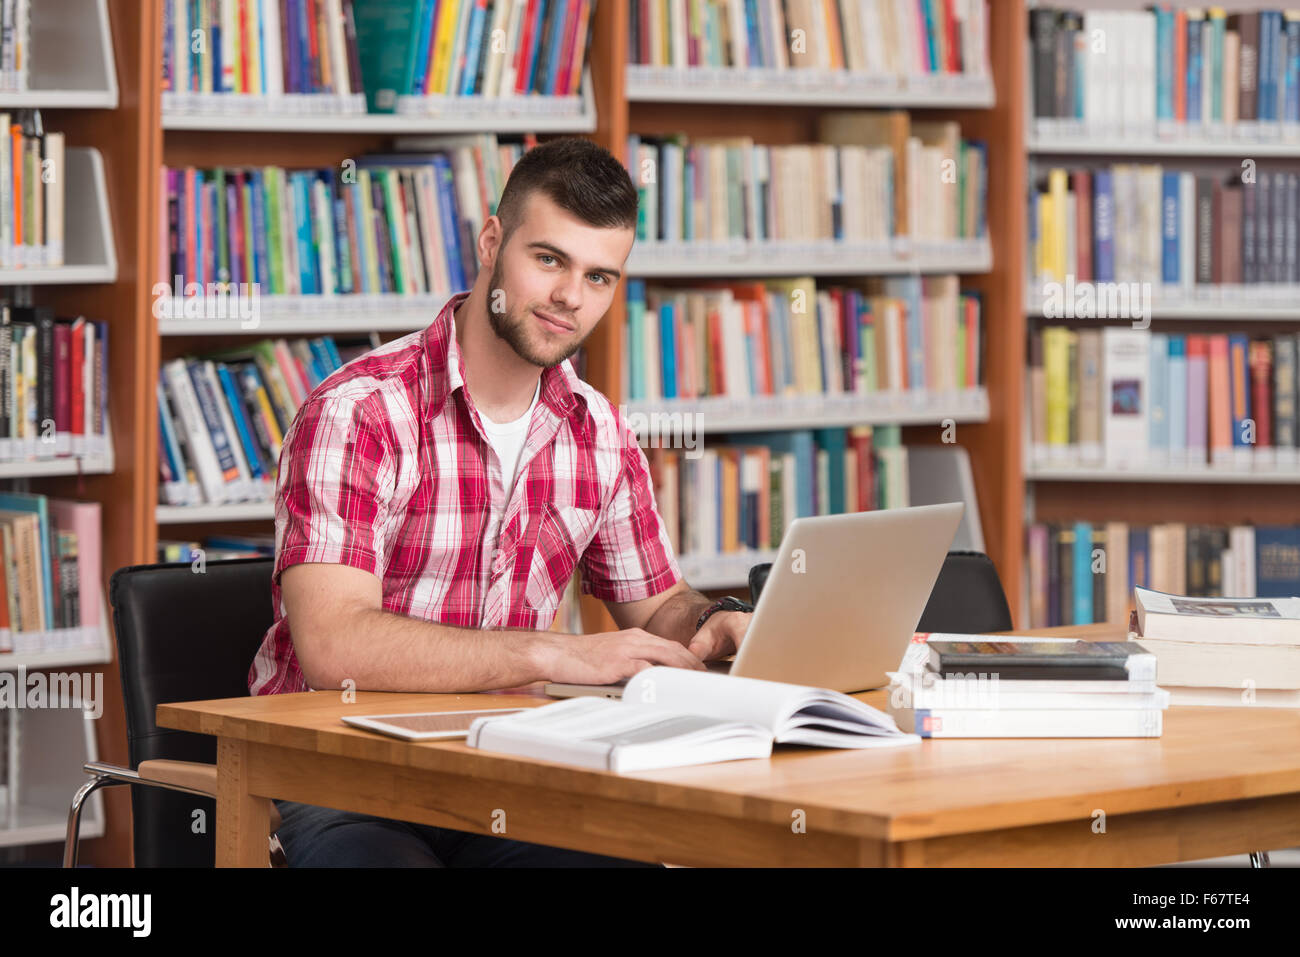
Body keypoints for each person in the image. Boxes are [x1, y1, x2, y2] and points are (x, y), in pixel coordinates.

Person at [247, 137, 754, 866]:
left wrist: (714, 622)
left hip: (505, 765)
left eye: (599, 276)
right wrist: (555, 651)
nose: (570, 297)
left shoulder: (599, 432)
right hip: (337, 770)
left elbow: (657, 606)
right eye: (548, 259)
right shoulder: (359, 412)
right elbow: (333, 646)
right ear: (492, 242)